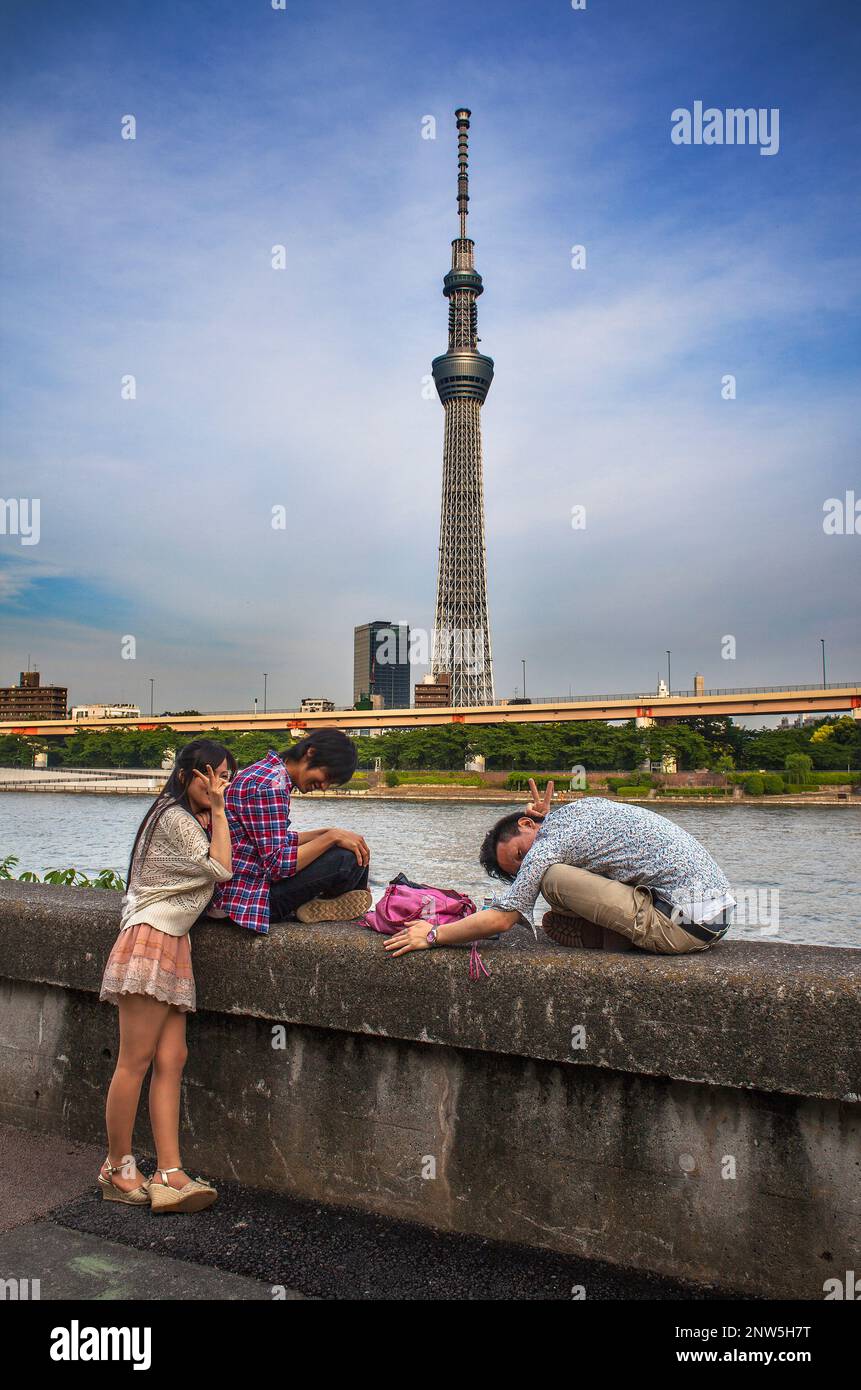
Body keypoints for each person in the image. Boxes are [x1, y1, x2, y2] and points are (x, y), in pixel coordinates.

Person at [98, 739, 235, 1212]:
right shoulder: (174, 816)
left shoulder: (188, 817)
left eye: (226, 777)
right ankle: (116, 1167)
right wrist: (219, 808)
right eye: (214, 775)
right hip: (151, 937)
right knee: (134, 1062)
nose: (221, 784)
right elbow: (222, 868)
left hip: (174, 940)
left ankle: (170, 1172)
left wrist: (216, 808)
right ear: (187, 776)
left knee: (173, 1057)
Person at [384, 780, 735, 960]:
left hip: (683, 927)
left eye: (520, 852)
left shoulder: (547, 846)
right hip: (714, 916)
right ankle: (610, 934)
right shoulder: (582, 810)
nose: (528, 860)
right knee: (547, 878)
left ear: (527, 822)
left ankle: (616, 935)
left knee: (550, 879)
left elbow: (503, 921)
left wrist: (432, 935)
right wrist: (544, 822)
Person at [209, 729, 372, 934]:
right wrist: (332, 837)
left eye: (330, 783)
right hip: (249, 900)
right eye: (327, 776)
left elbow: (276, 840)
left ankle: (335, 900)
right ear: (310, 753)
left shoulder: (267, 774)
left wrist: (330, 833)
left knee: (354, 843)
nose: (323, 786)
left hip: (242, 891)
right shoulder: (270, 785)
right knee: (347, 858)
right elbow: (277, 864)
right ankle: (333, 900)